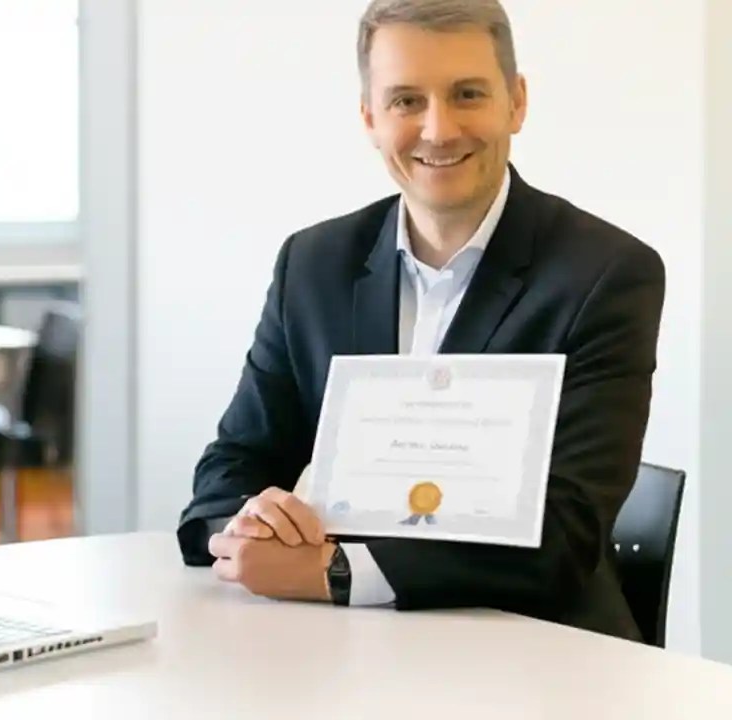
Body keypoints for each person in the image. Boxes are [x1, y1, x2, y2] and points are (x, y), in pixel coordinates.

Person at [176, 0, 665, 643]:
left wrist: (337, 571)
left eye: (467, 94)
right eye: (406, 101)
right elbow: (229, 471)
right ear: (370, 118)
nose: (438, 130)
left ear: (516, 103)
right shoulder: (313, 264)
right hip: (339, 651)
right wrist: (252, 524)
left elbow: (565, 534)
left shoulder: (606, 274)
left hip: (537, 655)